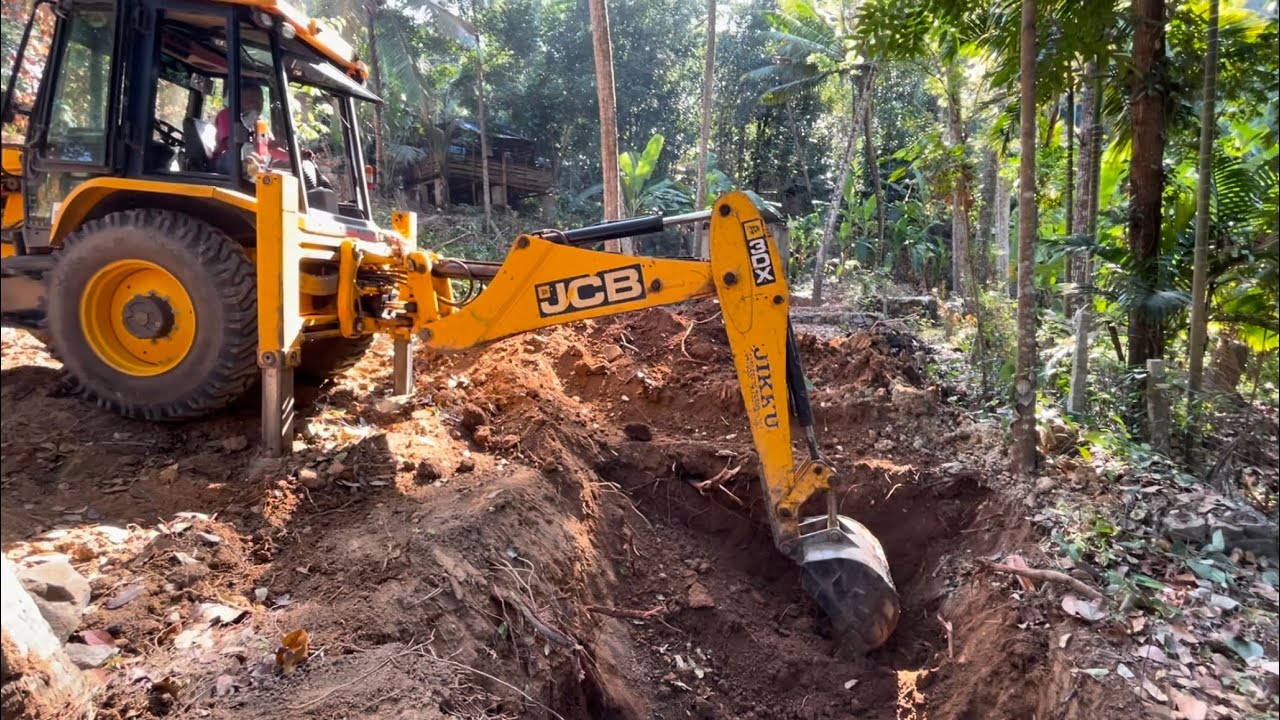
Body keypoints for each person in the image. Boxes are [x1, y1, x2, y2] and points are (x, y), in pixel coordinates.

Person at [211, 80, 289, 175]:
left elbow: (272, 149)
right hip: (230, 166)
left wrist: (293, 157)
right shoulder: (228, 115)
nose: (257, 104)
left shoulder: (261, 124)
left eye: (260, 101)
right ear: (238, 101)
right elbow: (232, 145)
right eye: (251, 101)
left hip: (258, 168)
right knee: (233, 158)